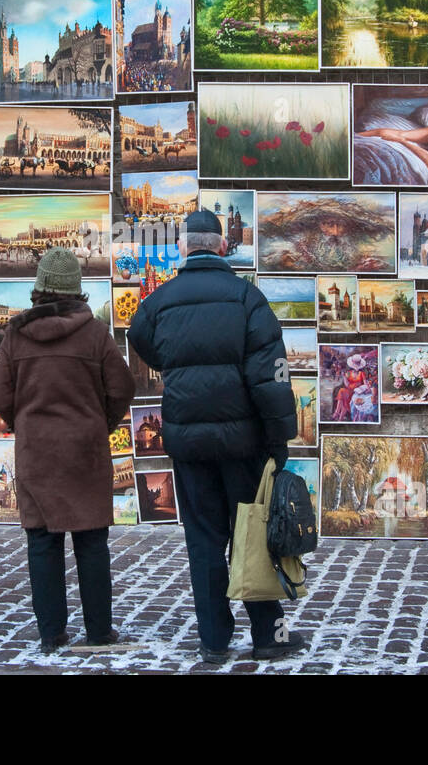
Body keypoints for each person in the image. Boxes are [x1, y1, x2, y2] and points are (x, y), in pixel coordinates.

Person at [128, 210, 305, 664]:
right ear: (223, 246)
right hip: (243, 441)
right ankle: (270, 635)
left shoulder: (160, 301)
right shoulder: (248, 299)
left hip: (189, 442)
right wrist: (279, 439)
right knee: (253, 535)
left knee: (203, 538)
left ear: (184, 248)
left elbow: (139, 338)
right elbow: (272, 378)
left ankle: (212, 638)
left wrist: (175, 365)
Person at [0, 248, 135, 653]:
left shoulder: (16, 335)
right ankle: (100, 632)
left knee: (42, 542)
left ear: (38, 290)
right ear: (77, 291)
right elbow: (122, 388)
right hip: (85, 450)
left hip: (37, 453)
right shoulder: (95, 333)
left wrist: (22, 421)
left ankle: (52, 634)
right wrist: (99, 422)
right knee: (91, 542)